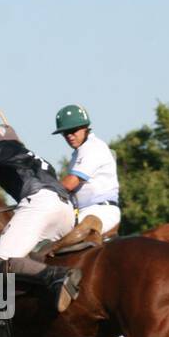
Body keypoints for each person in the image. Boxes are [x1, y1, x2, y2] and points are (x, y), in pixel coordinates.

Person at [0, 124, 82, 311]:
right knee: (33, 261)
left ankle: (58, 275)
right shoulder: (41, 160)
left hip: (39, 204)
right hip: (66, 210)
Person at [52, 104, 120, 249]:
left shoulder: (92, 147)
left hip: (100, 211)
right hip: (83, 211)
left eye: (73, 130)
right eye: (65, 133)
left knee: (56, 246)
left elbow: (70, 183)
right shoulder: (79, 152)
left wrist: (43, 188)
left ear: (85, 127)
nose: (69, 135)